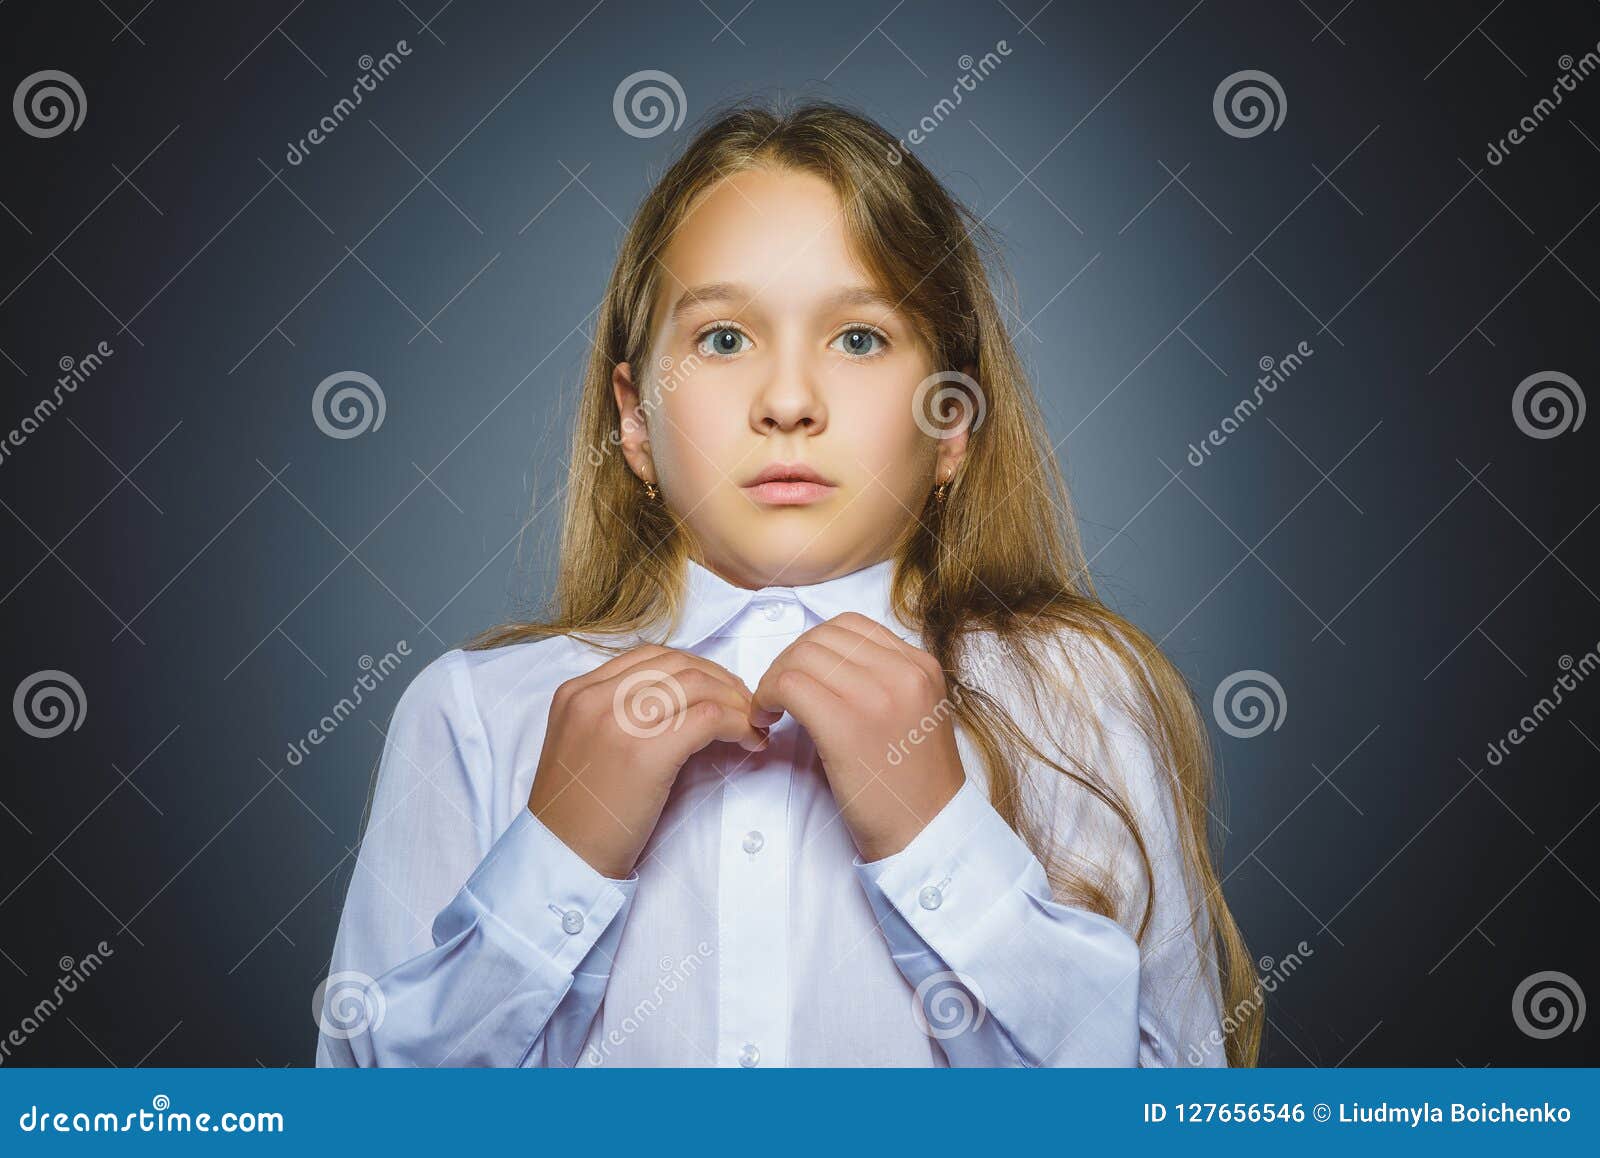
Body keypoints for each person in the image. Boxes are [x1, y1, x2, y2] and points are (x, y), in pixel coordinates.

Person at [315, 99, 1261, 1068]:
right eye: (724, 340)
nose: (788, 403)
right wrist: (560, 857)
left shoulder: (1078, 696)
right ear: (634, 419)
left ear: (952, 421)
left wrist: (937, 841)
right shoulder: (470, 715)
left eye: (858, 339)